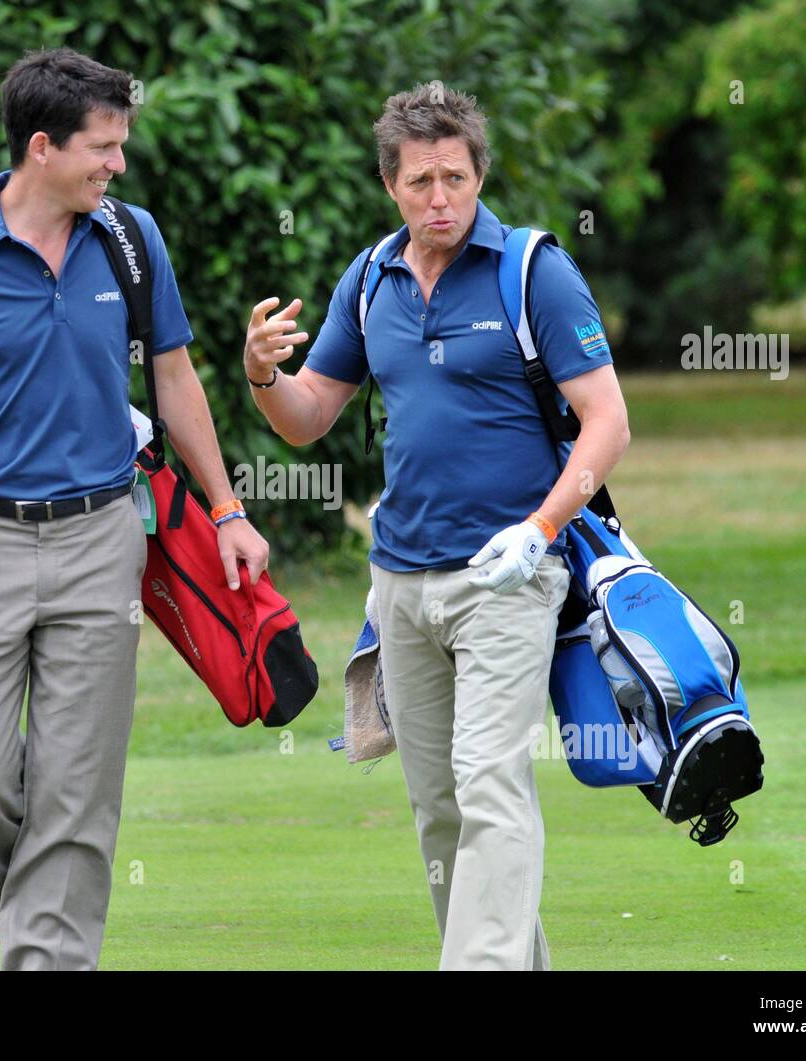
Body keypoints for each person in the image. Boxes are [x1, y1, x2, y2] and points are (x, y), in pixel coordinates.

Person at [0, 47, 268, 971]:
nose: (117, 164)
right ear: (41, 148)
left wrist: (229, 505)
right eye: (103, 146)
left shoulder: (131, 240)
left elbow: (173, 375)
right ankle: (41, 928)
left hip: (100, 541)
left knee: (77, 789)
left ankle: (45, 960)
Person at [243, 83, 630, 970]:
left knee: (492, 783)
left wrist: (539, 530)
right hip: (402, 585)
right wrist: (264, 375)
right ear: (392, 183)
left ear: (480, 172)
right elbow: (308, 418)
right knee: (442, 809)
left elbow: (607, 423)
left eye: (456, 177)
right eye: (421, 181)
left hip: (511, 575)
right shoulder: (370, 275)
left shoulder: (533, 269)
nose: (441, 199)